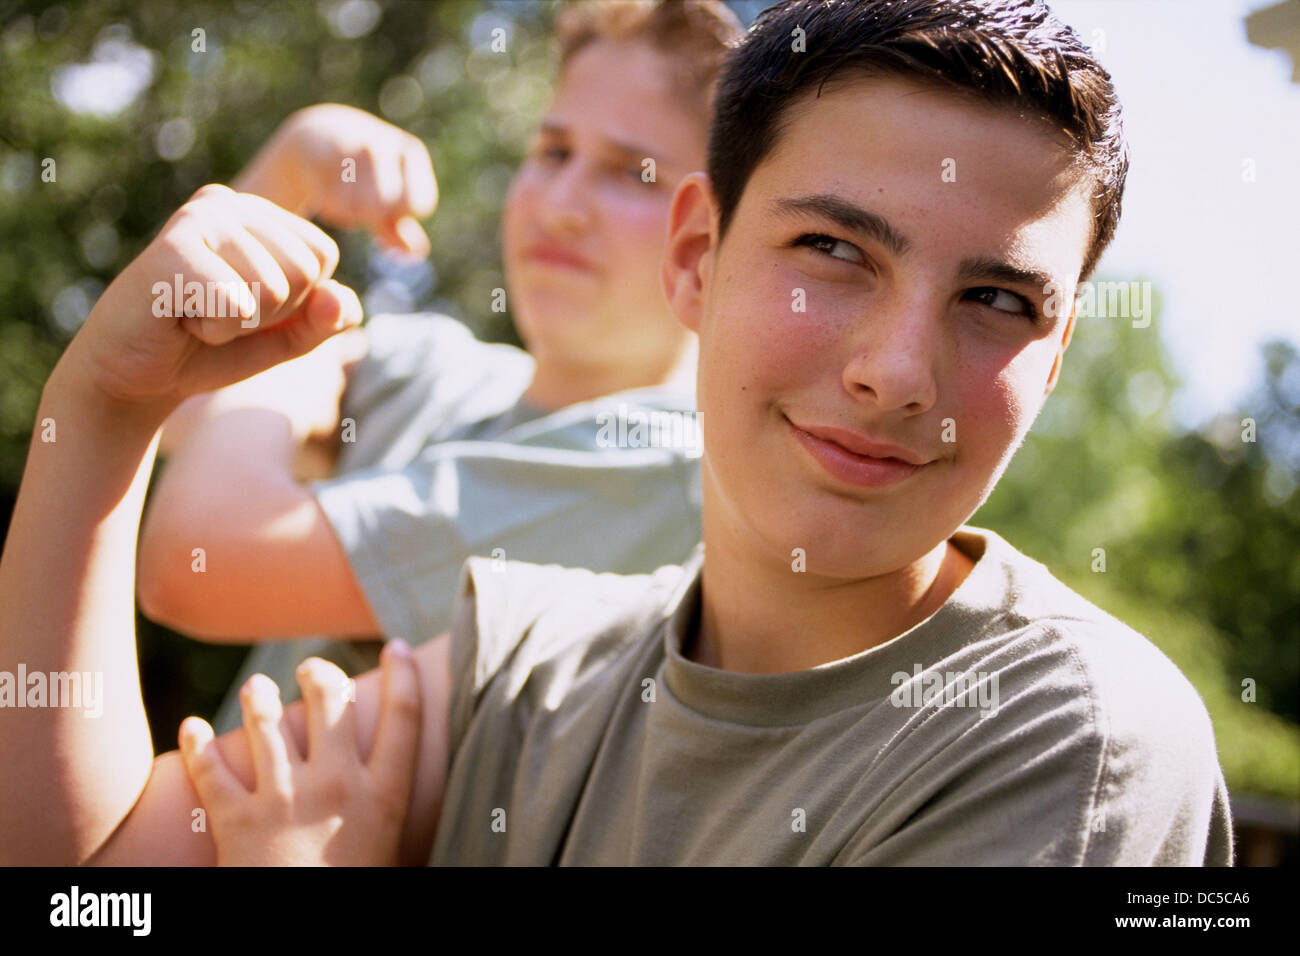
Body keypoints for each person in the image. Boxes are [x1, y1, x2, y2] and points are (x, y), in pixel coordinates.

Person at [0, 0, 1234, 867]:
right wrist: (99, 412)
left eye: (996, 300)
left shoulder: (1068, 739)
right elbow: (88, 875)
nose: (897, 373)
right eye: (833, 251)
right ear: (699, 261)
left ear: (1058, 350)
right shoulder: (519, 656)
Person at [135, 0, 741, 733]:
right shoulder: (434, 365)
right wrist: (291, 172)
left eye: (632, 173)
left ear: (708, 240)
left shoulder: (674, 469)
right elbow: (163, 396)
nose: (560, 206)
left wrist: (292, 372)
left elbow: (196, 562)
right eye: (552, 152)